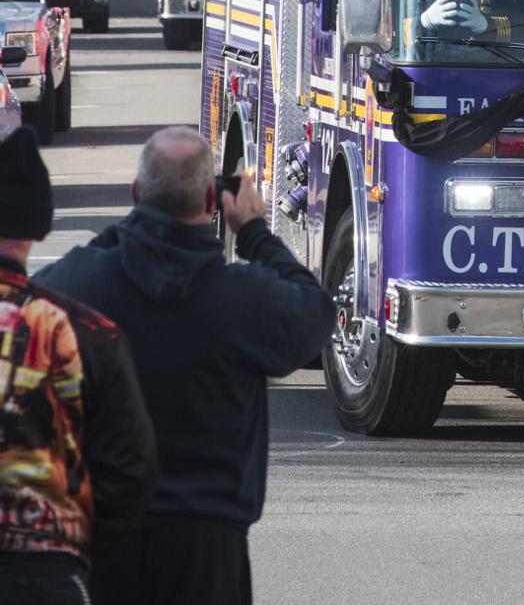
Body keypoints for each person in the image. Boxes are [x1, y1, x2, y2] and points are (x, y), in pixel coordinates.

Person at [40, 125, 336, 605]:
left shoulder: (82, 286)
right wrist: (257, 233)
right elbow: (315, 313)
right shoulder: (240, 299)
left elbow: (46, 296)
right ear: (212, 202)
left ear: (137, 194)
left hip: (108, 534)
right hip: (209, 541)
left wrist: (133, 227)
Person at [0, 127, 157, 603]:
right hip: (46, 568)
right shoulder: (88, 332)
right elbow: (132, 467)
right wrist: (76, 540)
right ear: (39, 229)